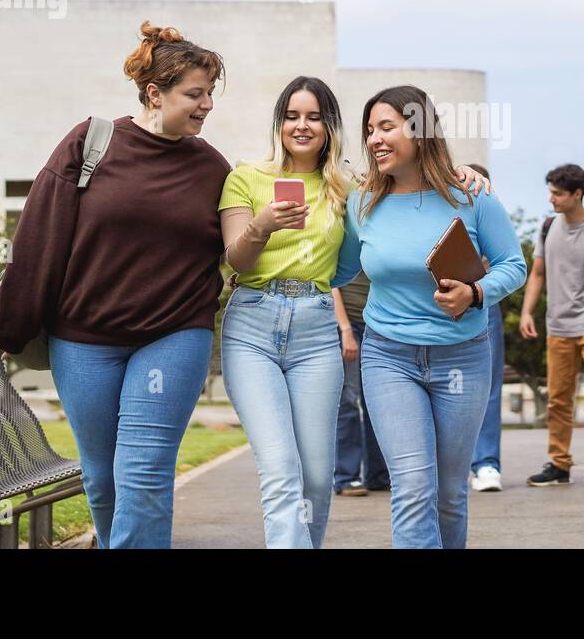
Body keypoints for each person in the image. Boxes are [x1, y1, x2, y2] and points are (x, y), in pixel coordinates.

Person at [219, 77, 490, 548]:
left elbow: (405, 196)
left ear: (330, 127)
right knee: (282, 472)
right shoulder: (246, 176)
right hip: (253, 323)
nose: (302, 126)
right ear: (278, 122)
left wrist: (458, 172)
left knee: (320, 479)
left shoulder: (352, 190)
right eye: (292, 115)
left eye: (314, 117)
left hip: (315, 325)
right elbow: (237, 260)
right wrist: (264, 224)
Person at [0, 21, 229, 548]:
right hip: (84, 340)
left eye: (210, 93)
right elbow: (39, 239)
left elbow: (239, 247)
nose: (207, 104)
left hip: (174, 335)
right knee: (102, 477)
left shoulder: (212, 169)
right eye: (195, 93)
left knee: (143, 471)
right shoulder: (91, 142)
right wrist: (12, 328)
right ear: (154, 93)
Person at [332, 85, 527, 548]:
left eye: (386, 127)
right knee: (414, 488)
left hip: (462, 358)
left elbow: (513, 266)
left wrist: (476, 292)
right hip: (389, 358)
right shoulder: (362, 204)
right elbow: (335, 270)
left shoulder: (472, 196)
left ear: (420, 131)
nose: (374, 139)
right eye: (369, 130)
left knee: (448, 494)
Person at [519, 164, 584, 491]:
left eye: (557, 193)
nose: (551, 199)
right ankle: (559, 464)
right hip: (558, 326)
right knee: (558, 400)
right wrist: (527, 312)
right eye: (550, 192)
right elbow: (537, 274)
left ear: (577, 194)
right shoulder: (547, 227)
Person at [332, 271, 390, 496]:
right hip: (349, 326)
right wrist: (345, 329)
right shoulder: (344, 233)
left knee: (378, 402)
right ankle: (347, 476)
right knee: (348, 399)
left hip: (378, 325)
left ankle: (378, 475)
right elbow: (330, 283)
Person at [467, 163, 507, 493]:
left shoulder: (491, 215)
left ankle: (486, 464)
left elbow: (508, 264)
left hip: (485, 302)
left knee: (489, 387)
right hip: (439, 305)